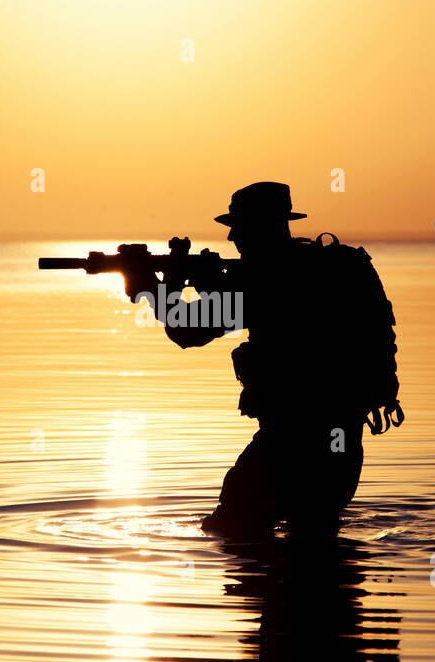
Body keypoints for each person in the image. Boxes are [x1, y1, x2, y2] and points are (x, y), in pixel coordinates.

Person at [123, 182, 402, 538]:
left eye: (239, 226)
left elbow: (186, 330)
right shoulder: (333, 267)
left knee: (231, 531)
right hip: (341, 444)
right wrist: (209, 285)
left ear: (261, 227)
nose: (232, 236)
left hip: (289, 446)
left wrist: (159, 284)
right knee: (317, 552)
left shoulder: (262, 280)